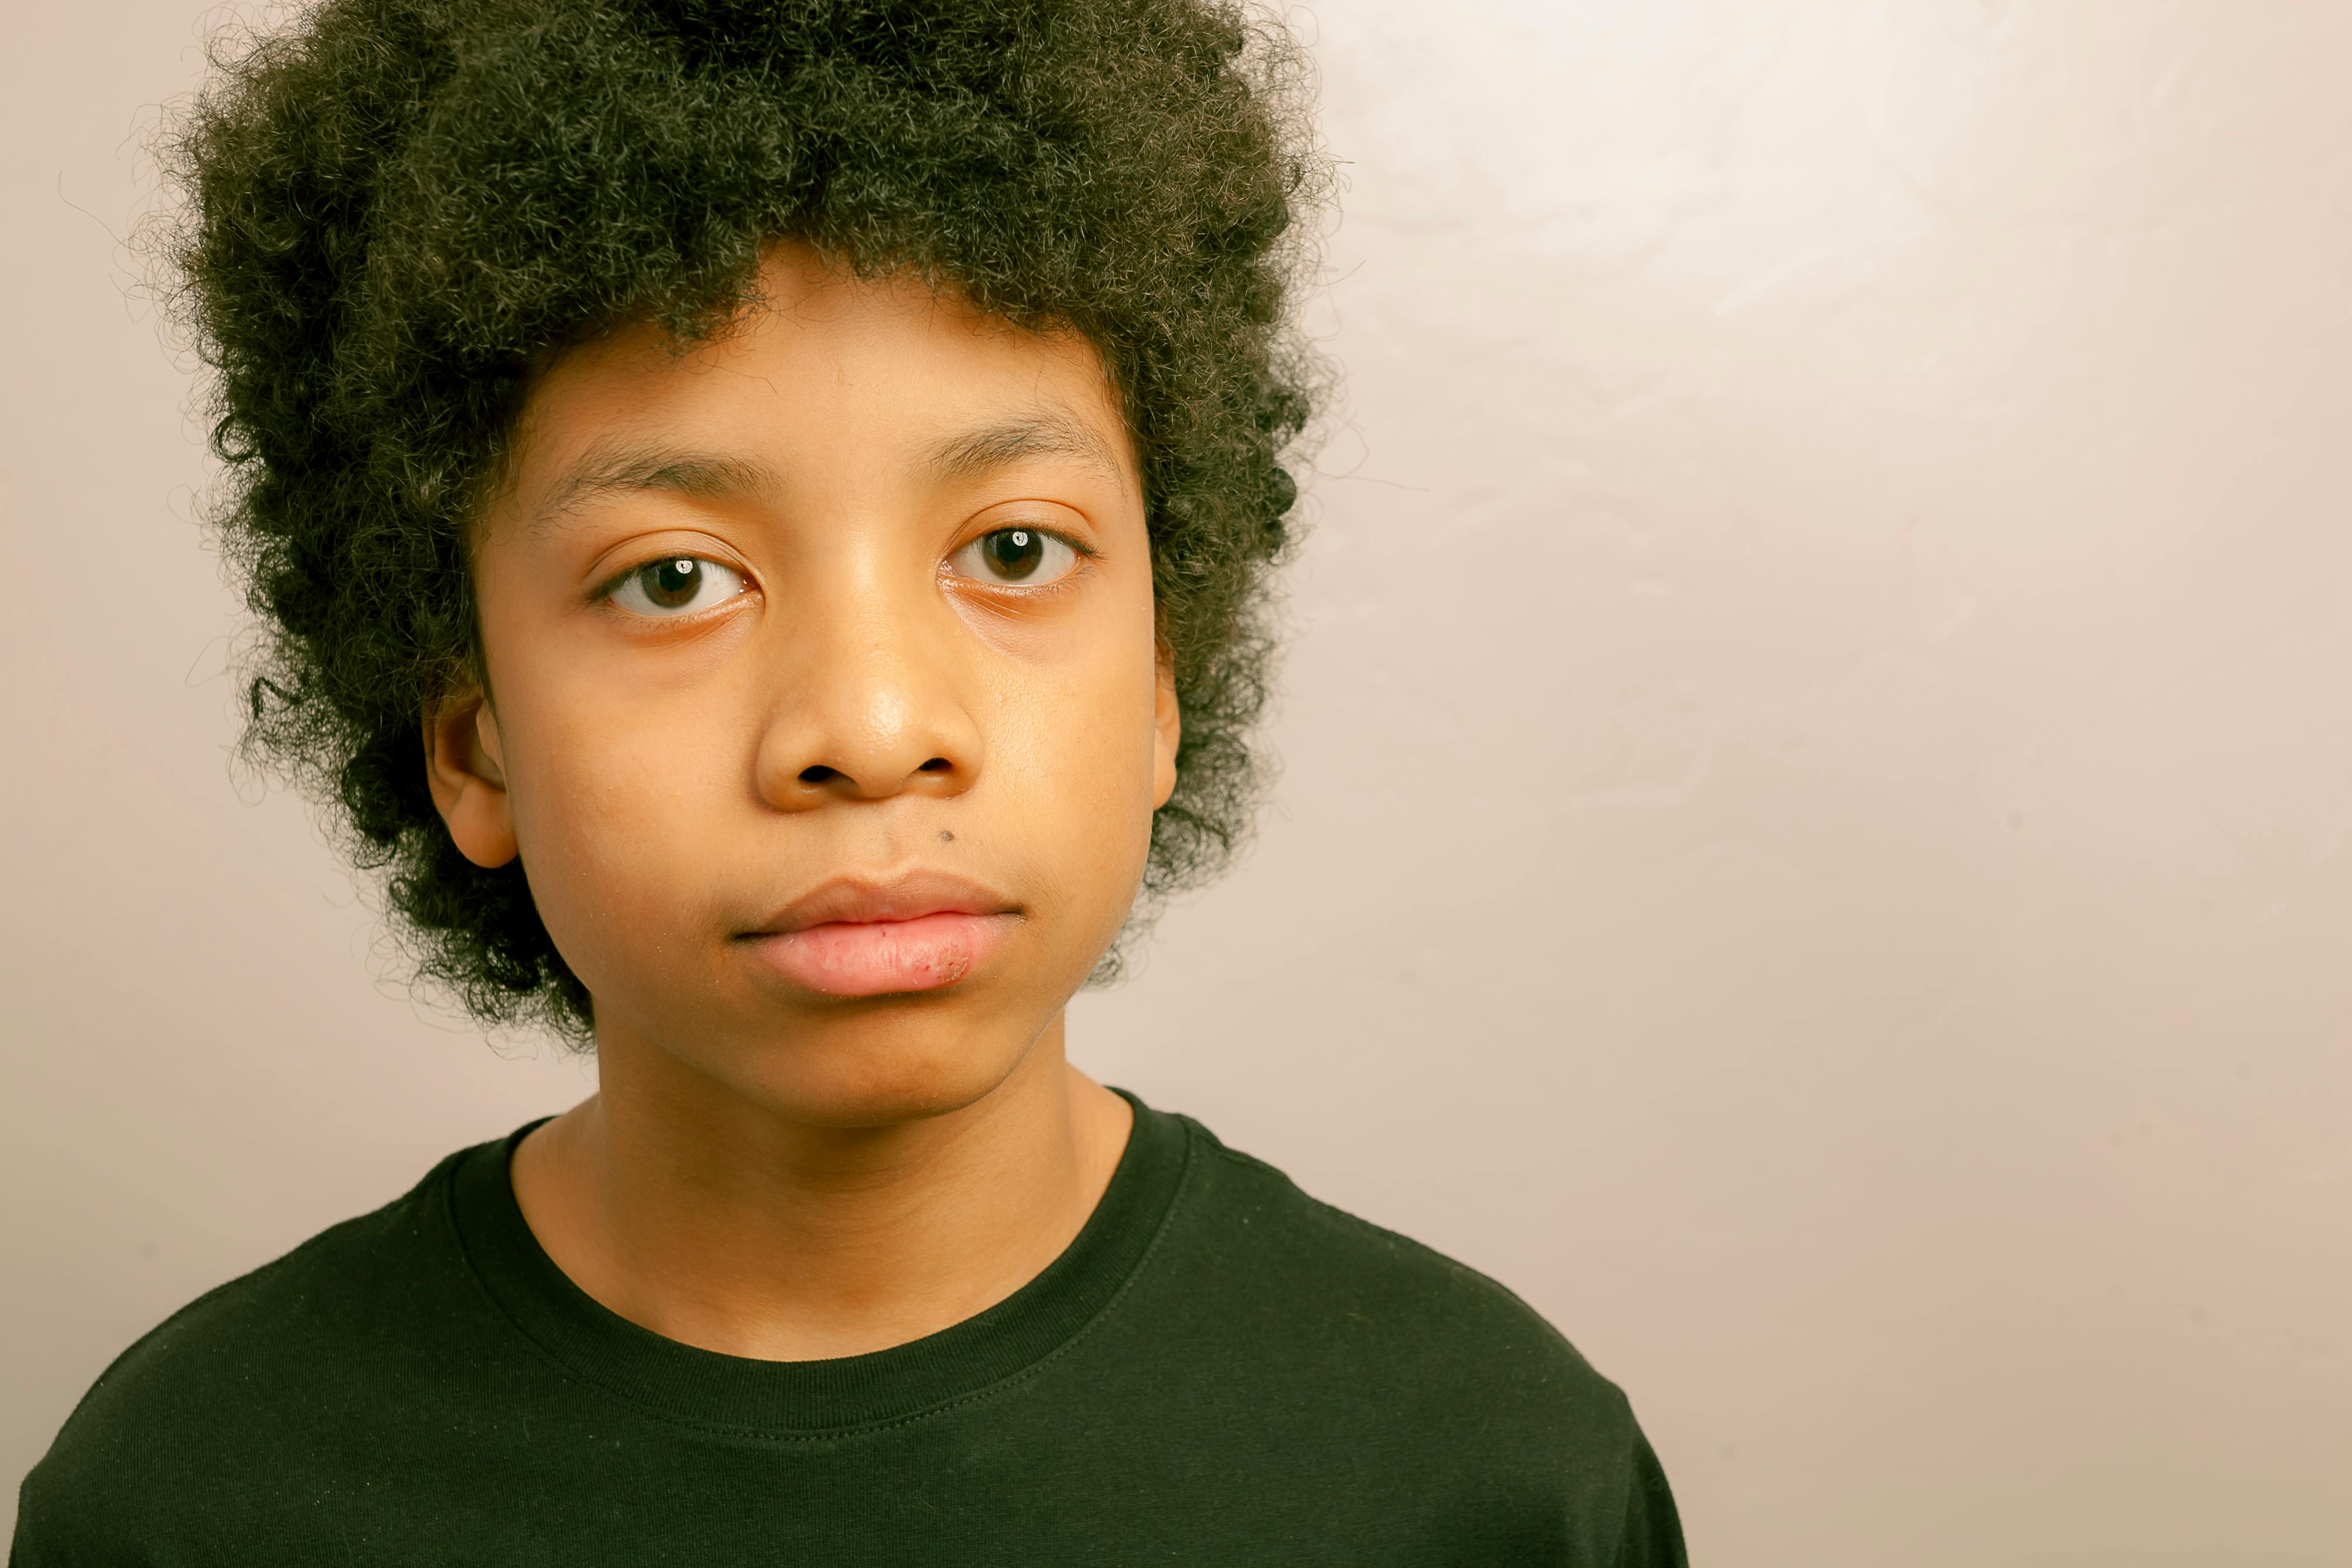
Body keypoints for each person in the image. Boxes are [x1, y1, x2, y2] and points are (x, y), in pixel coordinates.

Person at [12, 1, 1686, 1561]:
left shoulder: (1490, 1478)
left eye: (1015, 550)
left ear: (1166, 683)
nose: (875, 727)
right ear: (471, 742)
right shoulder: (190, 1506)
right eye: (674, 577)